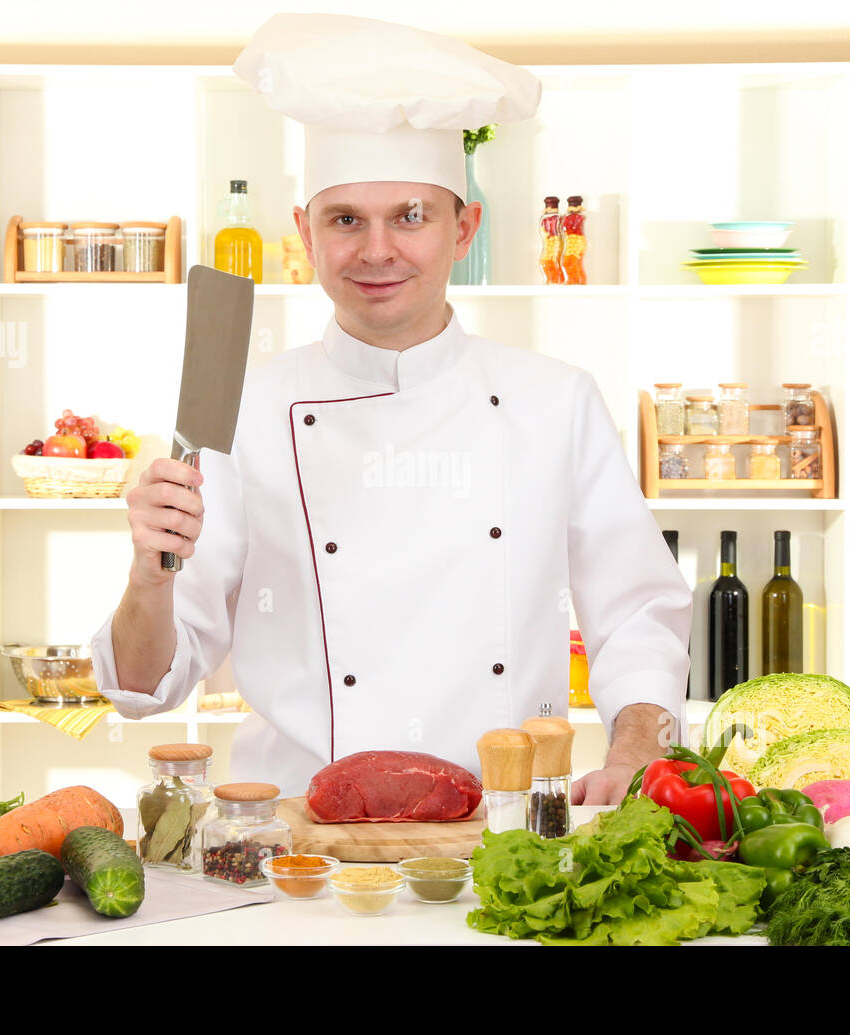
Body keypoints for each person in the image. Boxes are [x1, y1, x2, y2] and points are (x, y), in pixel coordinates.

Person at [90, 14, 690, 804]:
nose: (377, 250)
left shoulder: (556, 400)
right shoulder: (240, 408)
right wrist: (148, 575)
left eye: (411, 215)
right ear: (305, 233)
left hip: (502, 830)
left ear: (463, 229)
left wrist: (637, 746)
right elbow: (145, 685)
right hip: (293, 840)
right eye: (346, 220)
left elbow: (639, 606)